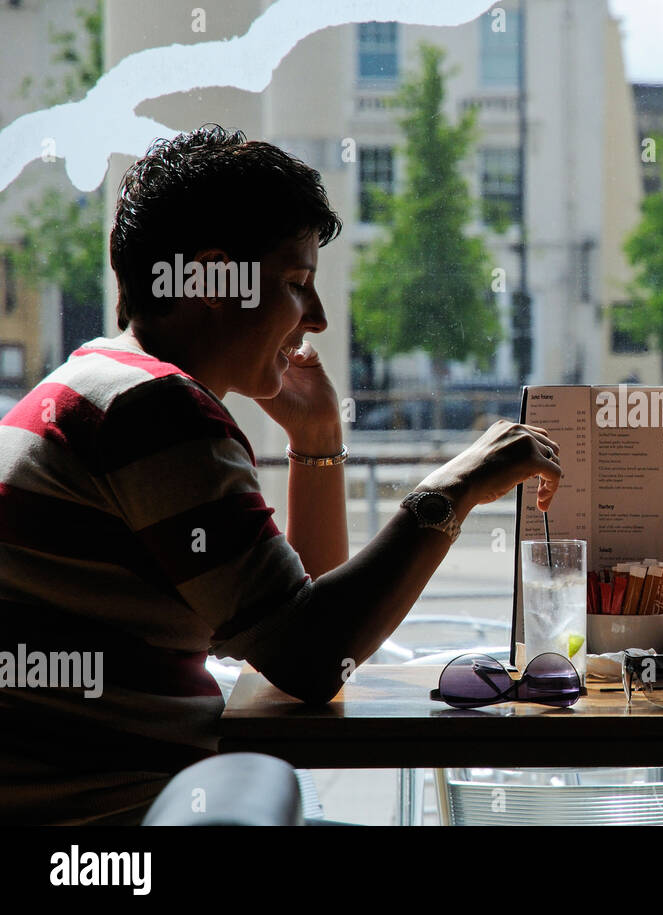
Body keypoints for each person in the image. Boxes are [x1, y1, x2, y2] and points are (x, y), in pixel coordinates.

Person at [0, 125, 562, 825]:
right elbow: (311, 658)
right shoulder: (155, 411)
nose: (318, 319)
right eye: (297, 285)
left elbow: (300, 621)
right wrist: (455, 488)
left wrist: (318, 442)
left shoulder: (95, 383)